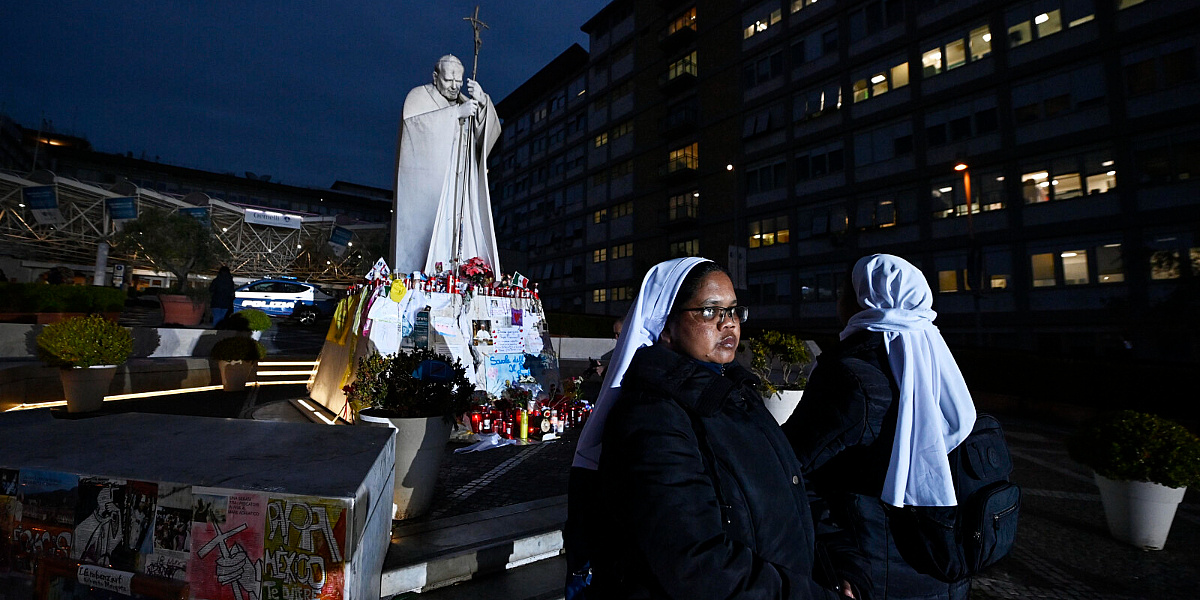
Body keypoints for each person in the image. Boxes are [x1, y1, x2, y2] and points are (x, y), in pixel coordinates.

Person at [568, 258, 833, 599]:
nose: (729, 325)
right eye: (710, 312)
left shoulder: (739, 393)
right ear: (666, 327)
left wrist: (835, 568)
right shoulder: (653, 416)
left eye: (734, 311)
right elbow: (694, 560)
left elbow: (793, 486)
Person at [782, 254, 977, 600]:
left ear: (862, 300)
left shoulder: (851, 376)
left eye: (845, 291)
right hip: (944, 565)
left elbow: (788, 464)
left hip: (873, 575)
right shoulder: (936, 360)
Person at [391, 54, 501, 275]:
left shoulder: (464, 102)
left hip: (461, 181)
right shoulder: (418, 97)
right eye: (448, 80)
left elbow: (485, 139)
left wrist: (482, 103)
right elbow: (413, 131)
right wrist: (454, 115)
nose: (454, 86)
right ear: (435, 77)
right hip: (433, 183)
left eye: (458, 81)